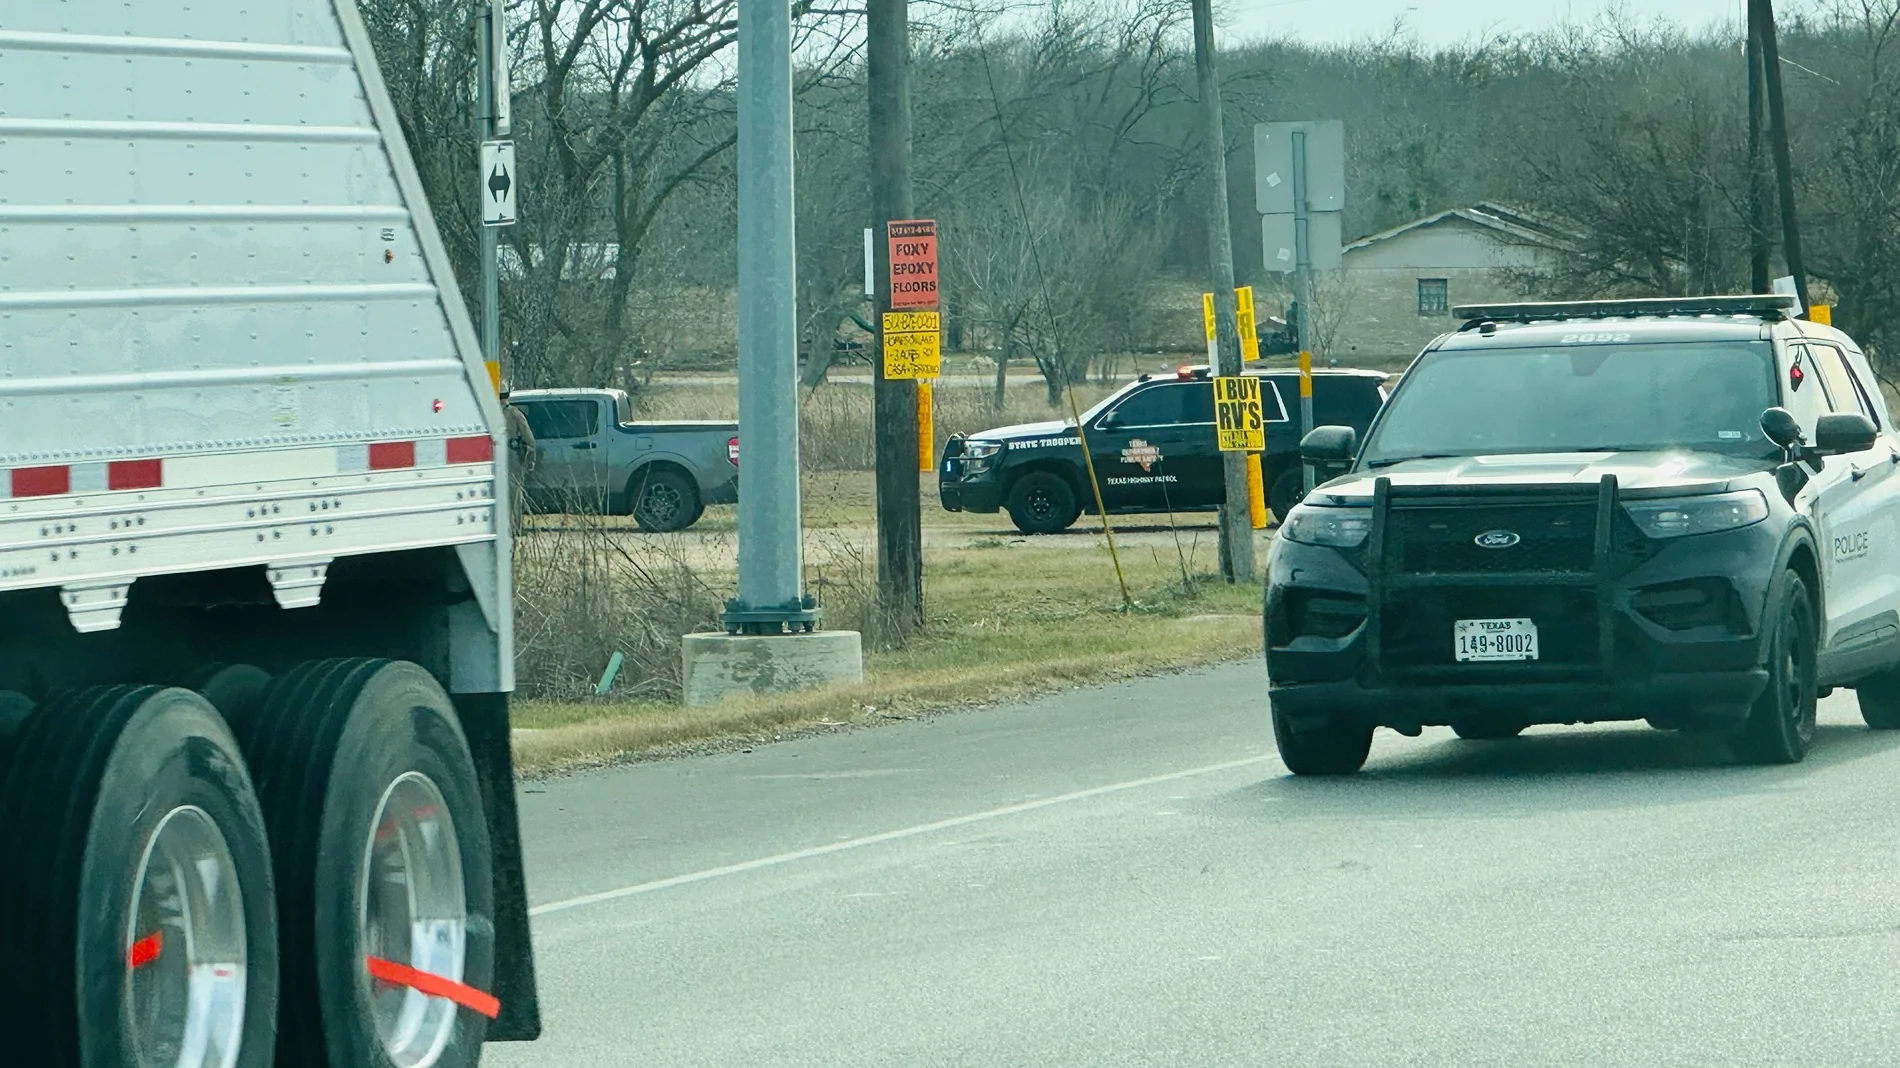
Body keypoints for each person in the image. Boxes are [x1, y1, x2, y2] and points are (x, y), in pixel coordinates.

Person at [500, 384, 535, 530]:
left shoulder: (487, 413)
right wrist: (531, 458)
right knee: (515, 492)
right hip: (512, 455)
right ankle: (515, 526)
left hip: (494, 457)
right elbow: (529, 438)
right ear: (508, 395)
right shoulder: (514, 413)